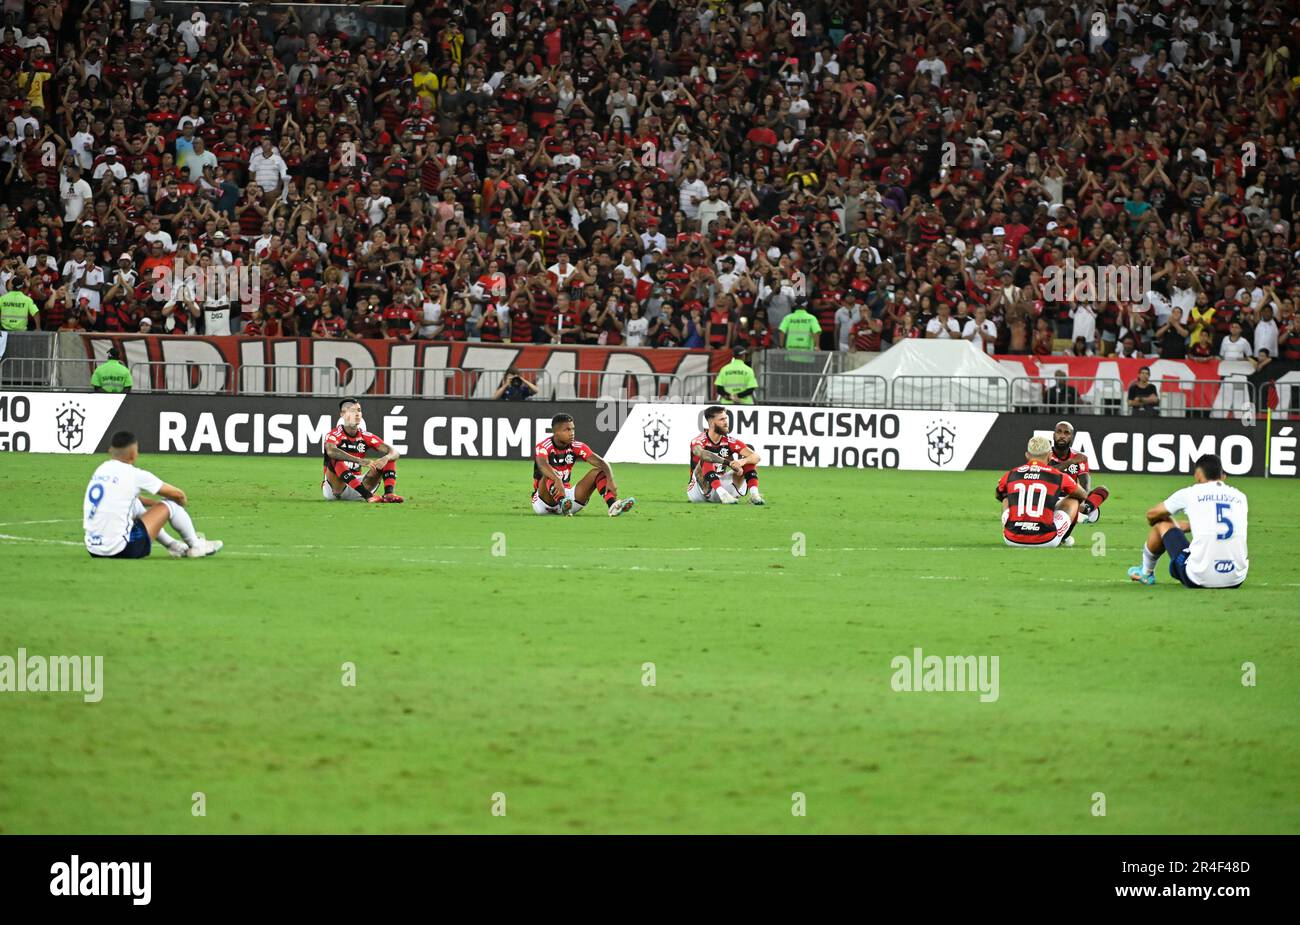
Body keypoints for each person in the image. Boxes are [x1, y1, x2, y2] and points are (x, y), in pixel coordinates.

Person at [84, 430, 222, 559]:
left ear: (110, 451)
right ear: (133, 454)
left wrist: (155, 505)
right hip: (124, 549)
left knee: (136, 504)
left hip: (93, 549)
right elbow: (179, 495)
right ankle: (197, 546)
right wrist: (174, 504)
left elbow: (126, 498)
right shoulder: (135, 475)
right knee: (171, 504)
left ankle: (173, 546)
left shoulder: (101, 469)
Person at [1128, 454, 1248, 588]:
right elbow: (1219, 522)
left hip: (1198, 578)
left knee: (1161, 522)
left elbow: (1152, 514)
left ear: (1198, 474)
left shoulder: (1191, 493)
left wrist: (1157, 522)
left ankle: (1146, 573)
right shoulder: (1240, 497)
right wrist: (1191, 525)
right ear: (1222, 475)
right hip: (1236, 579)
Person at [995, 435, 1107, 548]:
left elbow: (998, 495)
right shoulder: (1058, 476)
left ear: (1027, 455)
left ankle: (1016, 526)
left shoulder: (1010, 474)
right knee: (1074, 499)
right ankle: (1064, 538)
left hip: (1011, 539)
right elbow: (1082, 495)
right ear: (1049, 456)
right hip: (1046, 540)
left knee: (1007, 497)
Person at [533, 413, 636, 516]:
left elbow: (601, 463)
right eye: (567, 430)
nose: (572, 433)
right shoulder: (544, 446)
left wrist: (610, 479)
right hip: (543, 502)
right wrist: (557, 479)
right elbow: (542, 465)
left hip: (568, 497)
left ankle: (613, 505)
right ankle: (562, 502)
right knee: (549, 473)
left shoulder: (577, 446)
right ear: (556, 432)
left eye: (573, 429)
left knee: (600, 471)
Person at [321, 398, 404, 503]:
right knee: (333, 457)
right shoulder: (333, 434)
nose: (357, 414)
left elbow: (394, 452)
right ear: (343, 414)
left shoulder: (365, 436)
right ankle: (368, 496)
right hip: (336, 489)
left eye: (359, 410)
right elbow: (331, 451)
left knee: (388, 458)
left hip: (359, 486)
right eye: (352, 410)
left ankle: (389, 494)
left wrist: (386, 457)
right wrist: (359, 460)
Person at [687, 405, 764, 505]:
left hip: (720, 483)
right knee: (706, 457)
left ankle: (754, 495)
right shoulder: (699, 440)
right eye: (721, 419)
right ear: (711, 423)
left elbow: (756, 457)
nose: (726, 422)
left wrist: (741, 462)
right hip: (700, 490)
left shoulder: (729, 441)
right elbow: (701, 453)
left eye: (726, 418)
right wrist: (729, 463)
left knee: (749, 458)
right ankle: (723, 495)